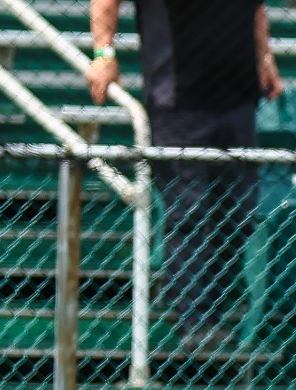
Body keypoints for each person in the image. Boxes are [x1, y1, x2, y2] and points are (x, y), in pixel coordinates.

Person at [87, 0, 281, 360]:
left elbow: (254, 9)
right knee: (189, 213)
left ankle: (206, 307)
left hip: (238, 101)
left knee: (238, 215)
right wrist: (104, 53)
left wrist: (264, 57)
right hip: (178, 104)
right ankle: (194, 319)